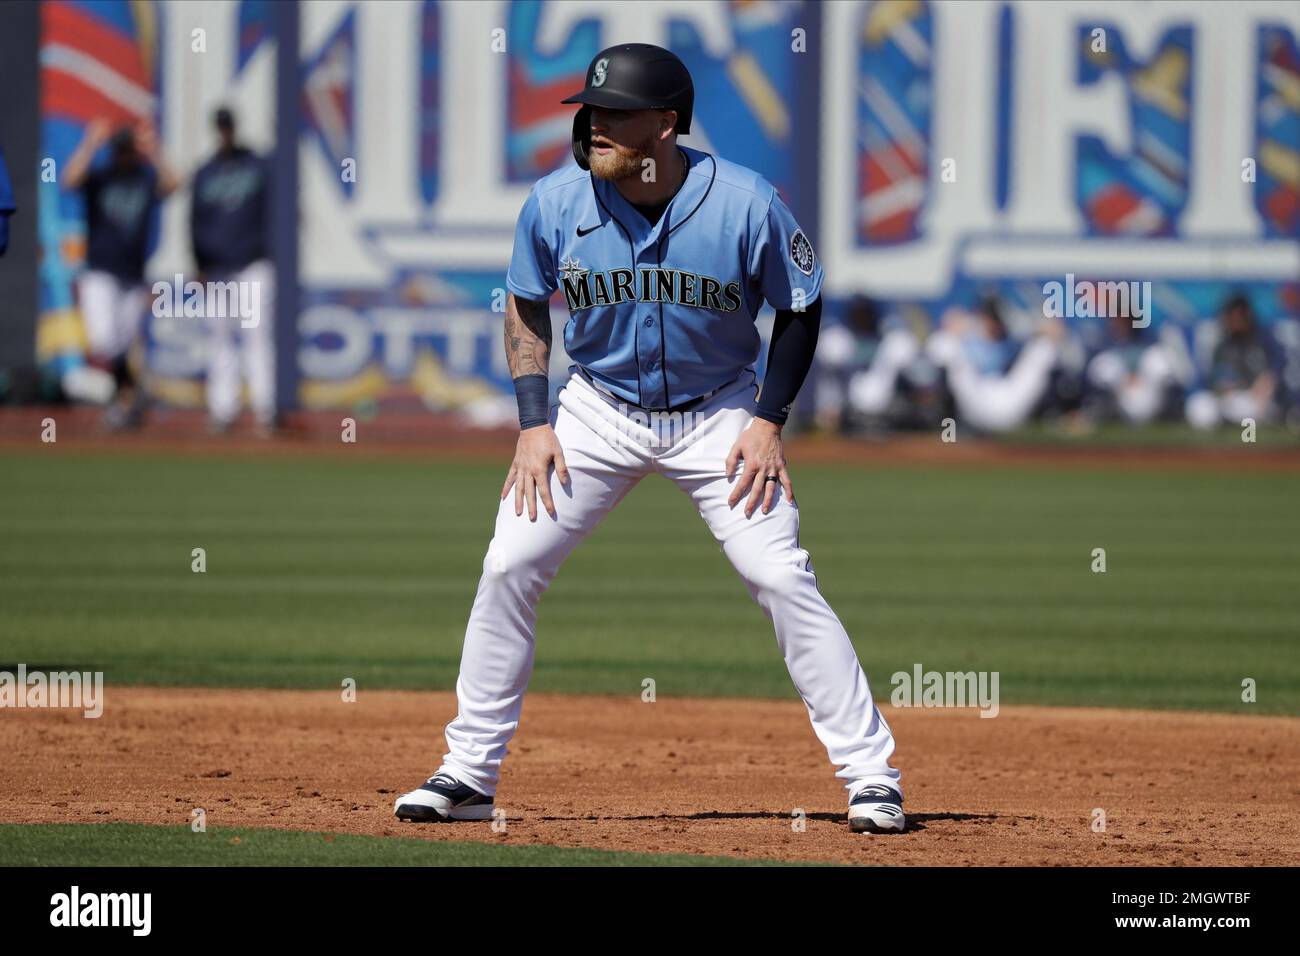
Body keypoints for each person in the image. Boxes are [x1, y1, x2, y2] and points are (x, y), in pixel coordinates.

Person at [394, 44, 906, 835]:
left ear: (665, 126)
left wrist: (768, 420)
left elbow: (800, 304)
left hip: (718, 412)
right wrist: (534, 422)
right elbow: (527, 305)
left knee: (778, 573)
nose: (593, 125)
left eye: (614, 113)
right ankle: (468, 774)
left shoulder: (745, 202)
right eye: (589, 110)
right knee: (510, 562)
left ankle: (872, 776)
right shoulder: (556, 202)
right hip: (597, 410)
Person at [63, 119, 178, 430]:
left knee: (124, 344)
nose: (123, 156)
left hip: (132, 274)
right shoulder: (101, 177)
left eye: (127, 150)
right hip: (100, 270)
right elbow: (68, 180)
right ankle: (132, 394)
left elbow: (173, 184)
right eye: (120, 150)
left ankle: (123, 404)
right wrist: (91, 144)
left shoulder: (143, 177)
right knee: (103, 339)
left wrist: (155, 151)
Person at [190, 107, 276, 434]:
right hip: (217, 269)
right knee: (219, 338)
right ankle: (223, 410)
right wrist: (198, 264)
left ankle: (266, 411)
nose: (225, 132)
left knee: (257, 335)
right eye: (221, 127)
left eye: (228, 127)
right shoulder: (206, 172)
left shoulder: (257, 166)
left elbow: (274, 212)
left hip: (252, 264)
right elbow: (195, 222)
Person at [925, 298, 1062, 433]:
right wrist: (953, 328)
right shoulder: (969, 334)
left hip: (1010, 397)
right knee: (947, 344)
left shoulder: (1014, 335)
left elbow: (1054, 332)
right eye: (989, 316)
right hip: (975, 397)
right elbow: (937, 350)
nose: (992, 322)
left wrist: (1038, 326)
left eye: (995, 317)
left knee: (1042, 349)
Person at [1185, 294, 1279, 429]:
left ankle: (1232, 424)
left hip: (1249, 398)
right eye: (1231, 317)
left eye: (1238, 317)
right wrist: (1220, 388)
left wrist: (1268, 380)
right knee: (1199, 407)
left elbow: (1275, 370)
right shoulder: (1220, 343)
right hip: (1223, 400)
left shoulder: (1263, 340)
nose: (1234, 321)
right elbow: (1207, 379)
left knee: (1253, 409)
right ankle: (1223, 426)